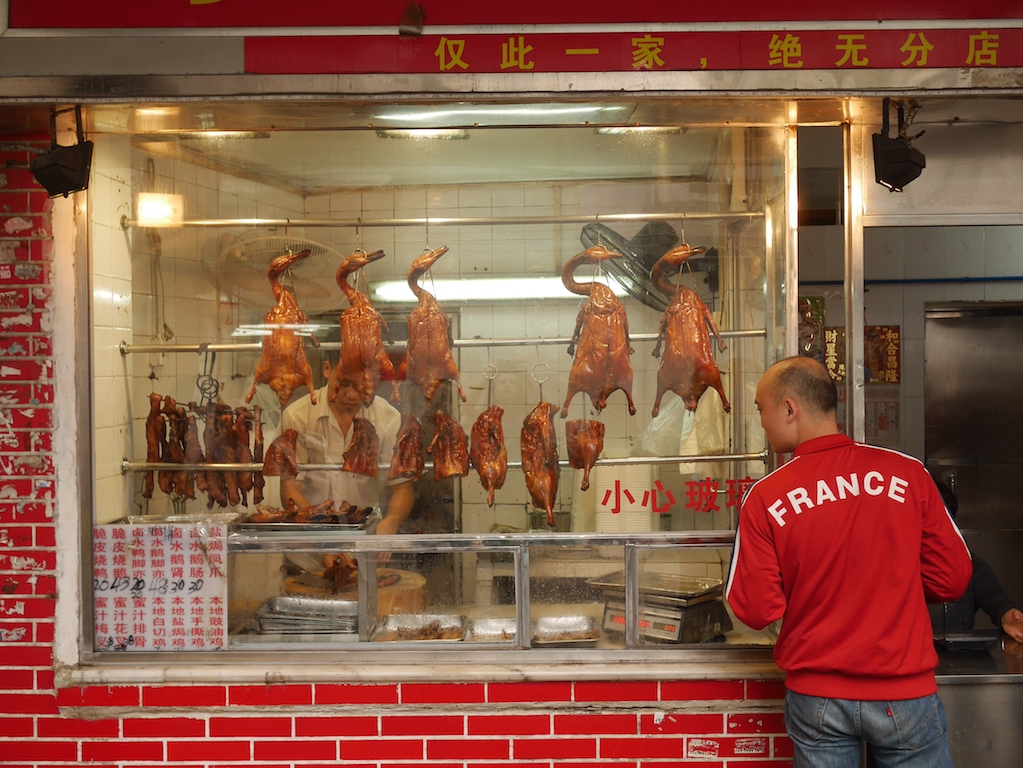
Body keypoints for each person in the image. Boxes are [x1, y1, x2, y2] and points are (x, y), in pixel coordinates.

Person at [725, 356, 973, 768]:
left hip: (818, 700)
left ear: (789, 409)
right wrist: (895, 587)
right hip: (905, 695)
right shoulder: (908, 475)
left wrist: (805, 591)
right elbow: (952, 578)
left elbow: (755, 609)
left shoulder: (767, 496)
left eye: (760, 409)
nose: (762, 422)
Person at [279, 351, 414, 539]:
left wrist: (391, 521)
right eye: (343, 384)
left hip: (365, 539)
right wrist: (321, 539)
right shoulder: (298, 416)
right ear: (327, 369)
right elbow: (290, 489)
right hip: (308, 543)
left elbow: (402, 488)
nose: (351, 394)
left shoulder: (387, 418)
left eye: (360, 384)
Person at [928, 477, 1023, 643]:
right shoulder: (894, 565)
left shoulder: (970, 563)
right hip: (909, 659)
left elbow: (994, 597)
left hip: (958, 661)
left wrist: (1006, 615)